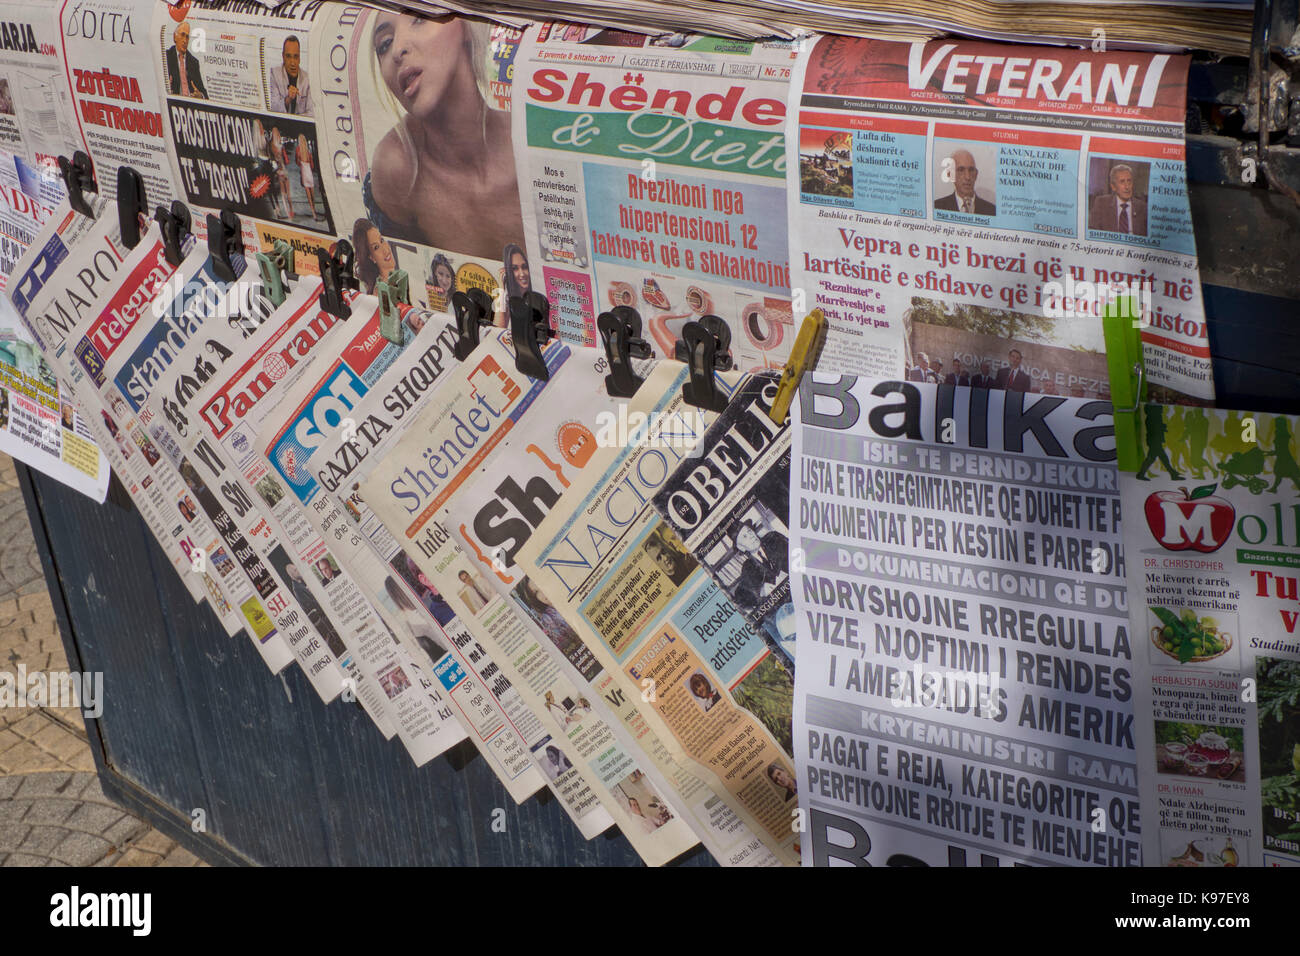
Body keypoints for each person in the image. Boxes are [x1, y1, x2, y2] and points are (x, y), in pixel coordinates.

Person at [366, 12, 524, 259]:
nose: (397, 50)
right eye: (384, 44)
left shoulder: (533, 144)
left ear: (463, 24)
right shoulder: (395, 168)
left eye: (419, 18)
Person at [734, 519, 788, 608]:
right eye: (744, 536)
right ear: (741, 547)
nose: (751, 536)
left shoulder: (774, 538)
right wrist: (760, 592)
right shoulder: (747, 567)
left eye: (749, 531)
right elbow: (741, 598)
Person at [1089, 163, 1147, 236]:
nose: (1127, 187)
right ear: (1113, 186)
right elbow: (1093, 231)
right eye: (1122, 181)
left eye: (1129, 181)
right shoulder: (1101, 203)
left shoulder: (1143, 207)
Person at [934, 148, 994, 215]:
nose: (967, 177)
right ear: (950, 175)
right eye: (961, 170)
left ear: (976, 174)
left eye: (971, 170)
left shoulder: (992, 210)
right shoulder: (937, 207)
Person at [1136, 403, 1184, 481]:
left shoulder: (1154, 417)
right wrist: (1162, 427)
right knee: (1154, 458)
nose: (1161, 410)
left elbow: (1157, 427)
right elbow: (1154, 429)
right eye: (1159, 408)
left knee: (1159, 458)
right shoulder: (1153, 417)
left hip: (1155, 440)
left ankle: (1173, 474)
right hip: (1154, 441)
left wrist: (1162, 427)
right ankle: (1172, 474)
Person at [269, 35, 314, 116]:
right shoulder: (274, 74)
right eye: (288, 56)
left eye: (296, 57)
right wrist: (287, 99)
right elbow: (273, 108)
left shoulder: (308, 79)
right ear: (283, 57)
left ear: (299, 58)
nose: (292, 63)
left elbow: (311, 112)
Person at [353, 219, 399, 294]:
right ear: (371, 257)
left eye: (381, 240)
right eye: (376, 247)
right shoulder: (380, 292)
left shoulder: (397, 279)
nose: (385, 250)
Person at [165, 21, 207, 99]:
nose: (185, 40)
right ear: (175, 37)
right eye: (182, 35)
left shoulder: (194, 62)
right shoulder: (166, 56)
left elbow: (203, 92)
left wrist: (200, 96)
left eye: (187, 37)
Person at [270, 128, 293, 219]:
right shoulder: (275, 146)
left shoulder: (277, 146)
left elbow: (284, 160)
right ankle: (289, 211)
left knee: (286, 194)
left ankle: (289, 211)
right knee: (286, 194)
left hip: (282, 171)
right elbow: (284, 161)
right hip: (281, 172)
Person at [297, 135, 321, 221]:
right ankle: (314, 210)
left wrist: (300, 161)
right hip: (309, 172)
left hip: (304, 172)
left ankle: (314, 213)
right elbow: (312, 166)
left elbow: (297, 163)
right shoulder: (309, 151)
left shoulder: (298, 151)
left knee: (308, 196)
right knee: (312, 194)